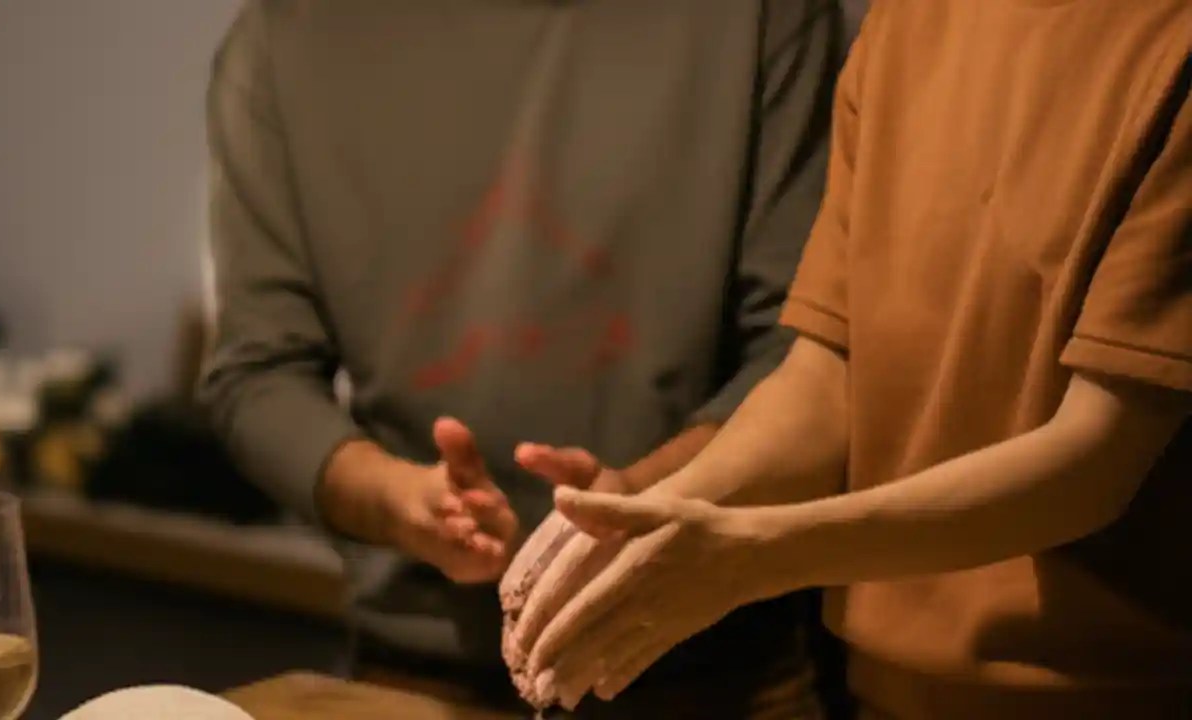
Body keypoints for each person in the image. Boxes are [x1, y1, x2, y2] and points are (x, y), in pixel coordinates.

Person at [509, 0, 1192, 717]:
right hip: (881, 692)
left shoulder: (1168, 41)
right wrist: (662, 512)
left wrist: (754, 557)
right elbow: (827, 377)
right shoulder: (908, 21)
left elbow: (1097, 458)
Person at [199, 0, 845, 715]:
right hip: (421, 668)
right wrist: (397, 500)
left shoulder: (764, 18)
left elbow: (814, 353)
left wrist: (643, 496)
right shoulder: (285, 39)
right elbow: (258, 373)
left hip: (723, 666)